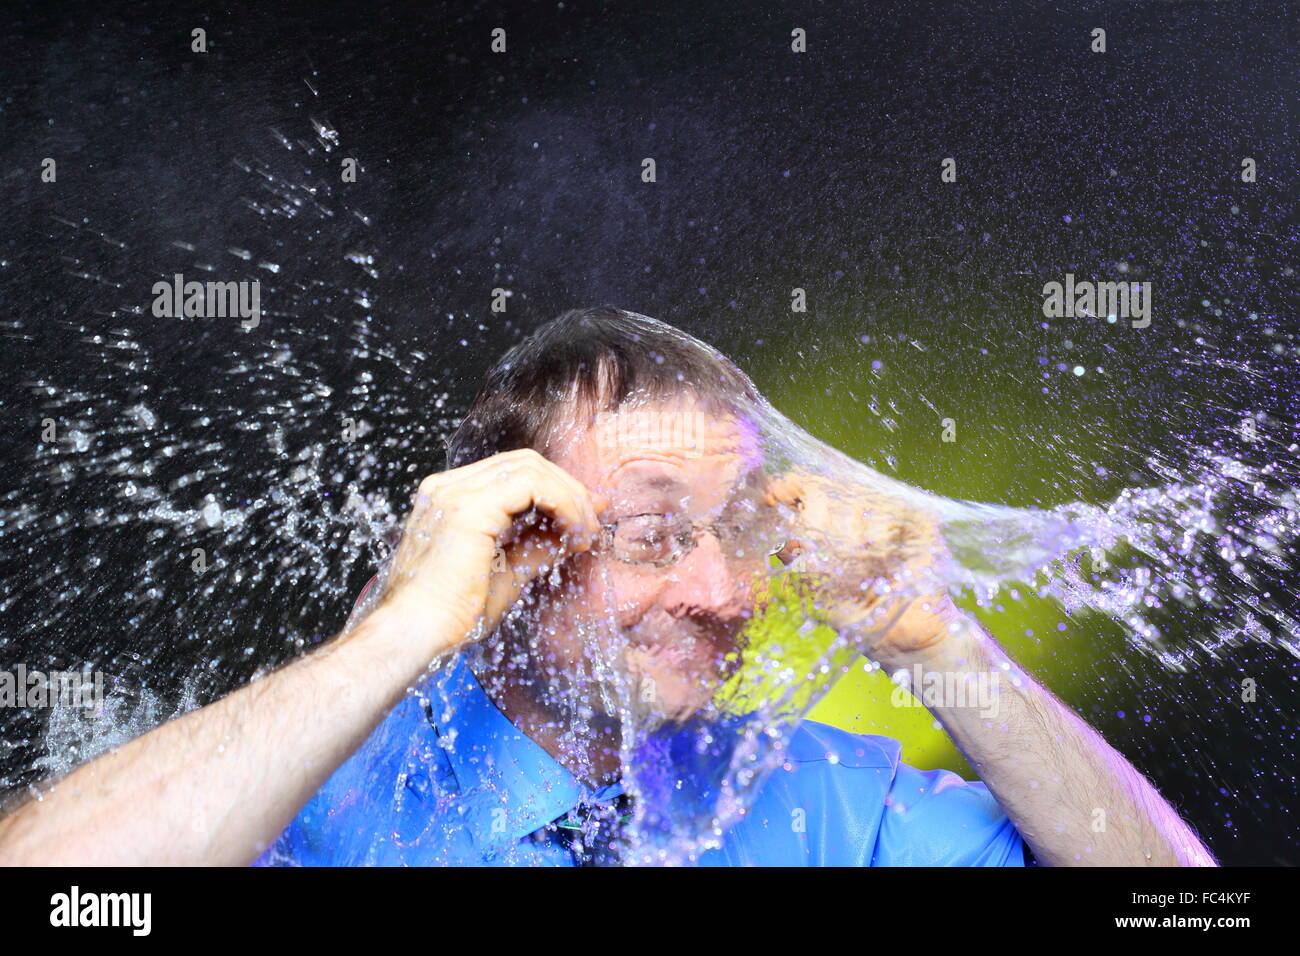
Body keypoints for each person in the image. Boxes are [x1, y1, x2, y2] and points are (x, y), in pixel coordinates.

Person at [0, 306, 1215, 867]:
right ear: (519, 550)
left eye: (738, 531)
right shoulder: (323, 808)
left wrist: (931, 637)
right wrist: (404, 629)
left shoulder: (814, 797)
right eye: (648, 534)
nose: (722, 586)